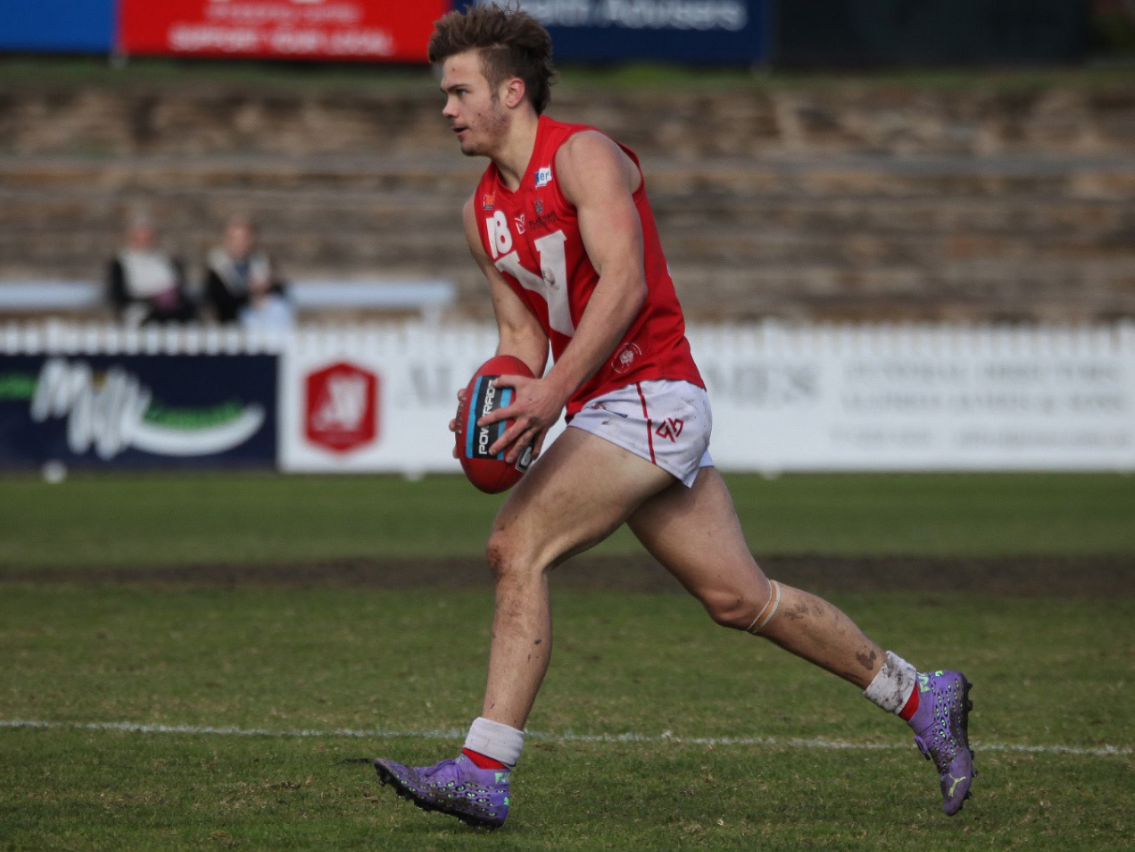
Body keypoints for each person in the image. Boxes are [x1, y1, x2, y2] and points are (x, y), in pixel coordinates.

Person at [373, 4, 974, 830]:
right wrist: (505, 394)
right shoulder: (482, 212)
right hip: (613, 407)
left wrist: (552, 395)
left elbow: (623, 288)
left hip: (652, 394)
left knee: (516, 545)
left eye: (459, 91)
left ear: (512, 92)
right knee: (739, 598)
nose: (445, 109)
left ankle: (484, 769)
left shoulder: (584, 156)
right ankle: (920, 695)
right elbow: (519, 336)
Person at [107, 212, 196, 325]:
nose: (145, 242)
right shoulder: (121, 263)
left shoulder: (166, 261)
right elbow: (119, 296)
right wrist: (153, 300)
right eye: (140, 238)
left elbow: (179, 290)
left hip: (171, 314)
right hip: (140, 314)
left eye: (148, 238)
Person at [202, 216, 289, 325]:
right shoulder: (217, 268)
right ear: (226, 240)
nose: (240, 243)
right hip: (229, 328)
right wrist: (250, 295)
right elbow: (218, 302)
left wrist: (269, 287)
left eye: (245, 238)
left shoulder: (262, 262)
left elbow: (281, 293)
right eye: (235, 238)